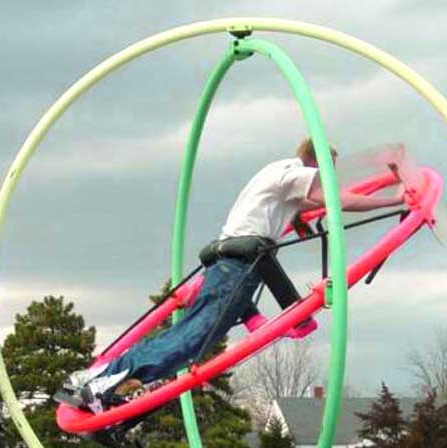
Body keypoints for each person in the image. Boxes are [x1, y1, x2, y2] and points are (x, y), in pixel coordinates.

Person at [54, 138, 405, 414]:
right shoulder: (297, 172)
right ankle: (100, 381)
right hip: (239, 266)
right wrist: (394, 201)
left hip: (227, 263)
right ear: (318, 163)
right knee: (190, 340)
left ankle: (99, 380)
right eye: (328, 171)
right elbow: (337, 200)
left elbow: (311, 204)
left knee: (187, 336)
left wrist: (305, 217)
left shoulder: (275, 173)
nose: (327, 178)